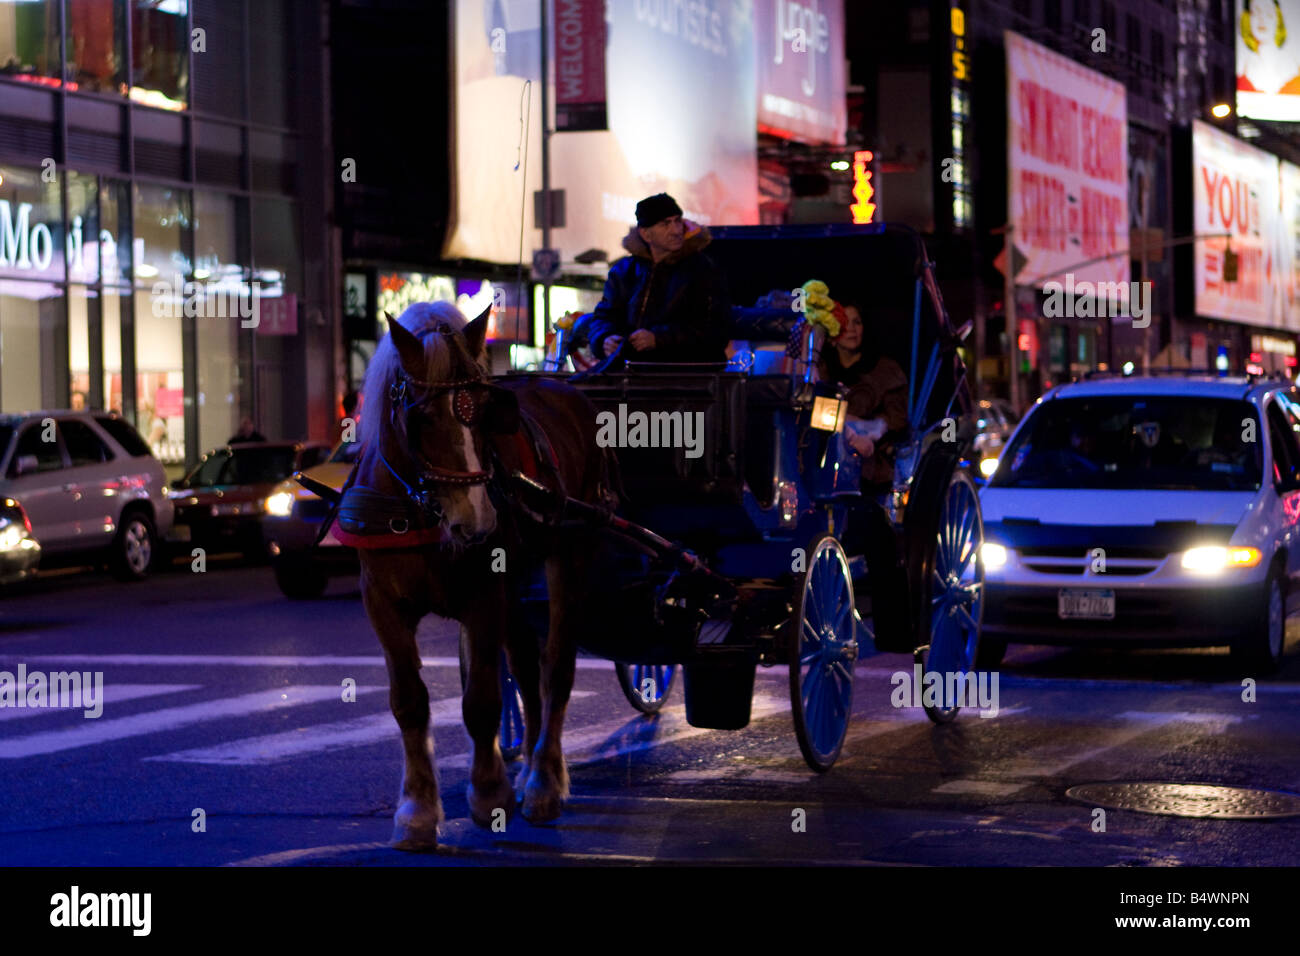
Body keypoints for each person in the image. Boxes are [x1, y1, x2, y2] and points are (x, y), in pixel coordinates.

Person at [583, 192, 732, 364]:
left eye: (678, 221)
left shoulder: (703, 269)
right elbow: (603, 317)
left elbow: (715, 329)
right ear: (646, 234)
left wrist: (659, 339)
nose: (676, 230)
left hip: (687, 377)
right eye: (665, 224)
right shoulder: (623, 271)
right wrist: (604, 339)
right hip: (630, 375)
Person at [818, 301, 908, 484]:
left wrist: (863, 425)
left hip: (872, 456)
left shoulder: (885, 370)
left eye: (857, 322)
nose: (851, 329)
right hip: (826, 451)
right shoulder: (820, 371)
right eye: (845, 323)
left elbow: (896, 419)